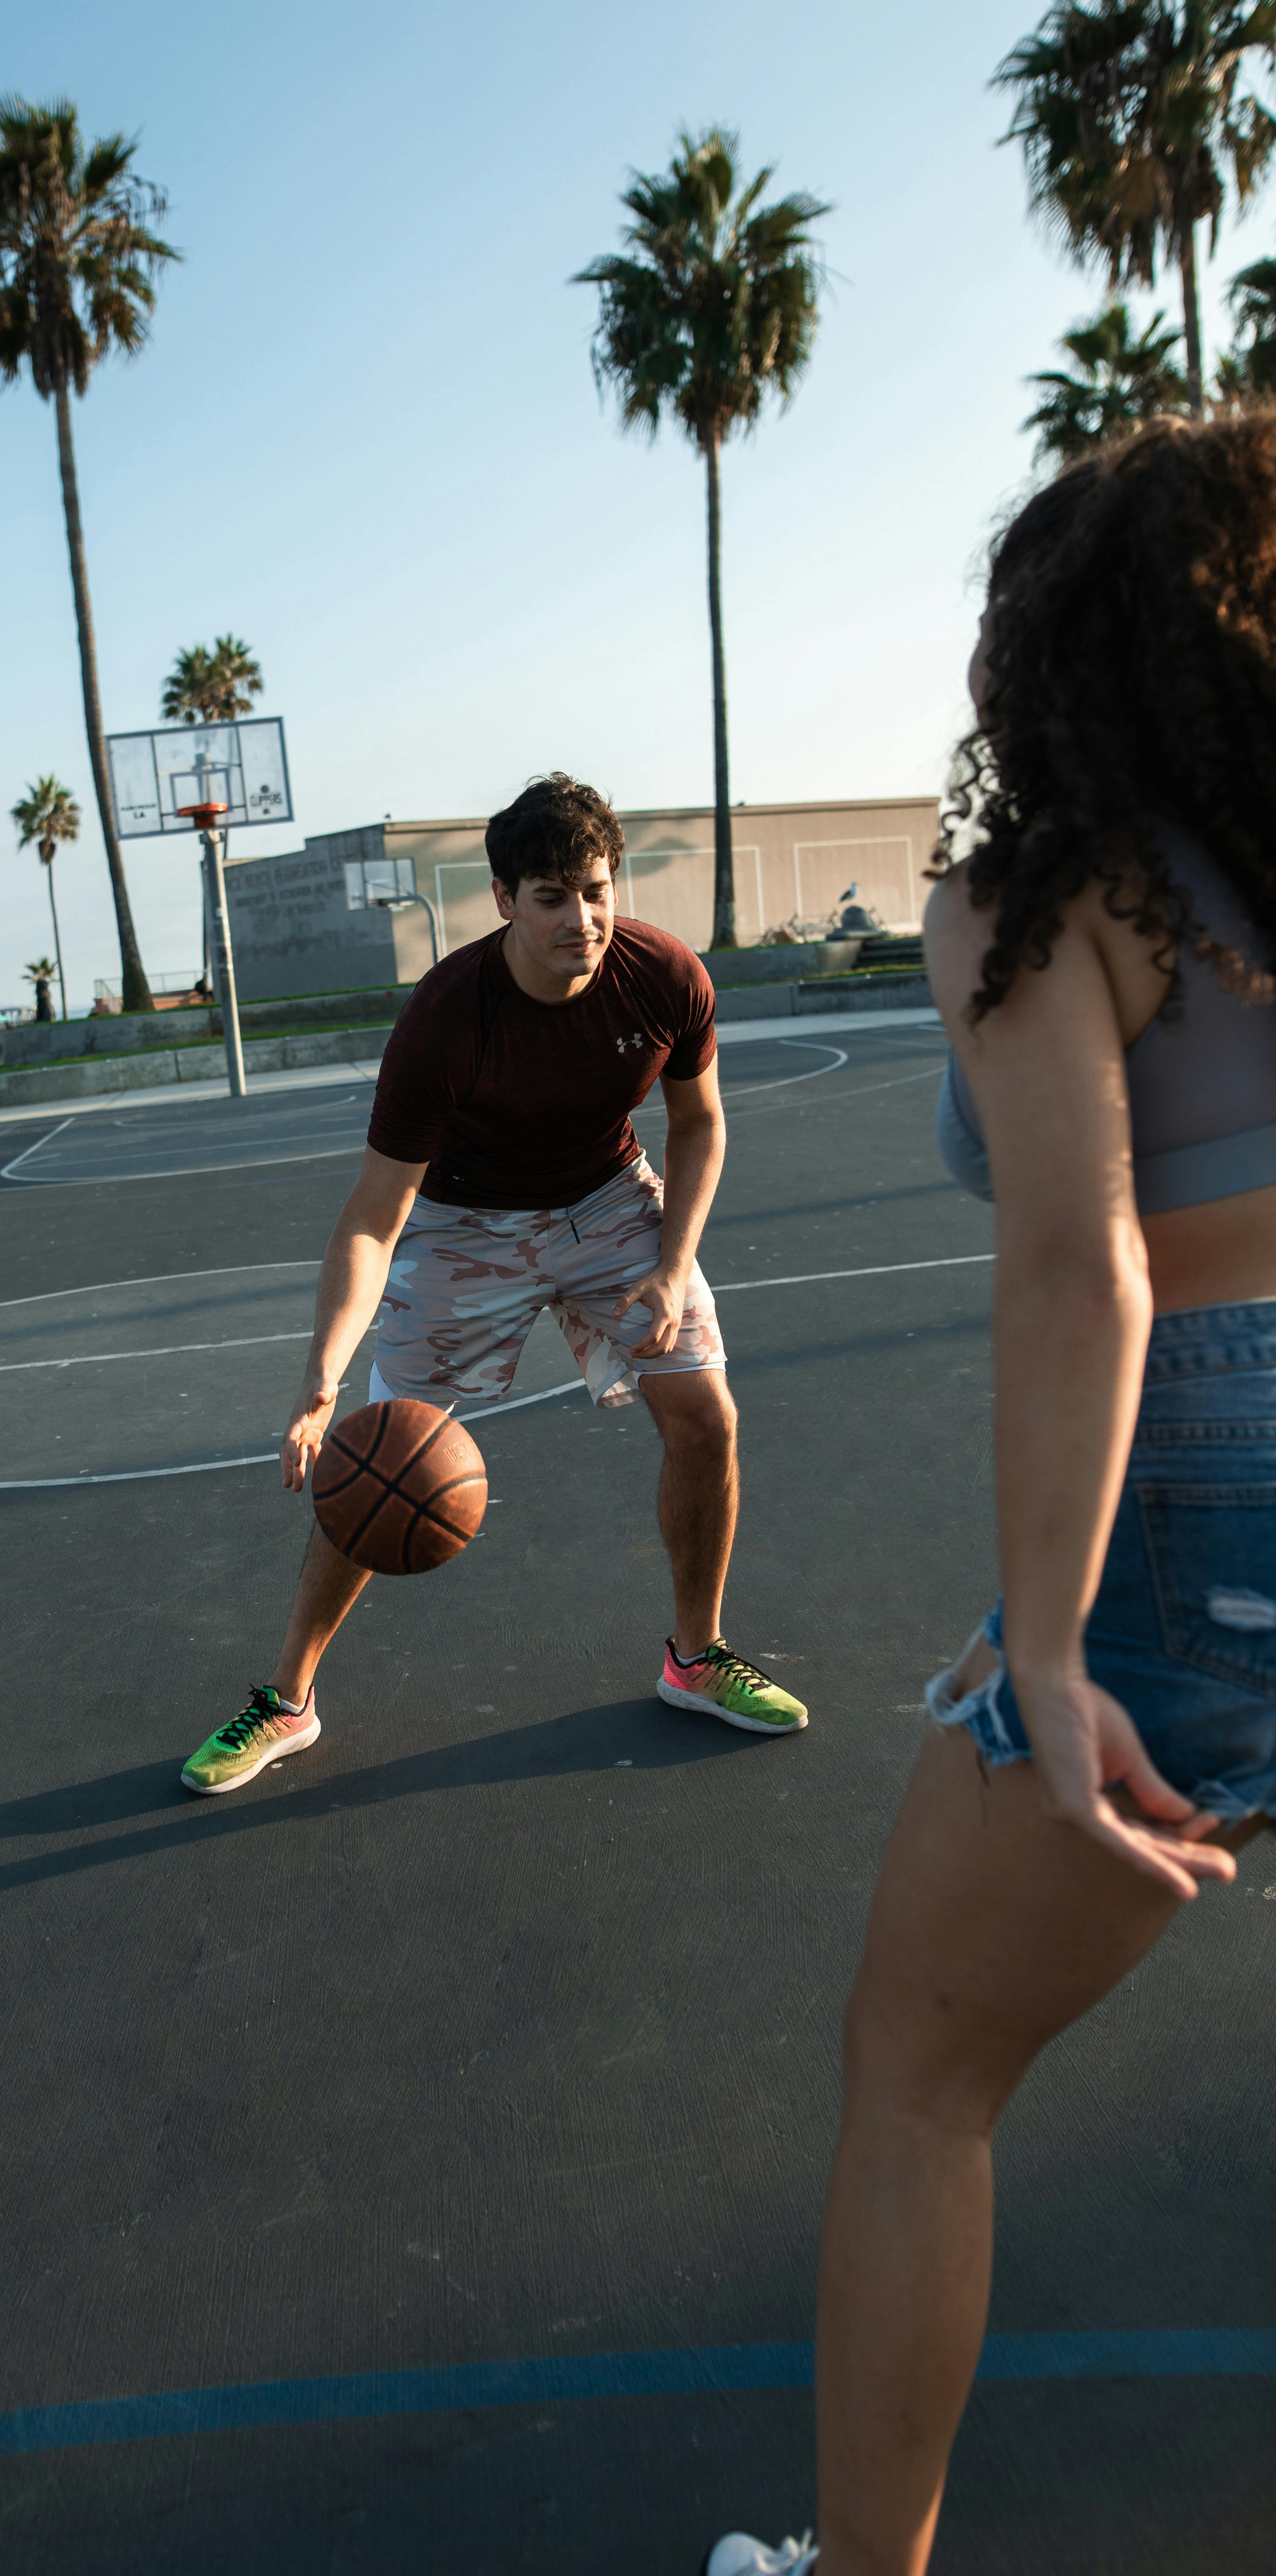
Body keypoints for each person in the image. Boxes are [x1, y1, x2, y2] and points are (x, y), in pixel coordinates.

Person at [709, 413, 1276, 2576]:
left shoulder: (1046, 889)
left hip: (1207, 1497)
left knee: (919, 2076)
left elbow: (1082, 1259)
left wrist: (1045, 1651)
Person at [181, 771, 808, 1794]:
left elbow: (698, 1123)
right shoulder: (445, 1019)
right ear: (505, 898)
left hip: (607, 1199)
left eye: (597, 891)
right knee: (380, 1454)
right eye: (553, 896)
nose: (582, 918)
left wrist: (671, 1265)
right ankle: (287, 1699)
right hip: (464, 1221)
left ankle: (695, 1658)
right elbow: (374, 1217)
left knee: (707, 1416)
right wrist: (321, 1377)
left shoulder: (662, 976)